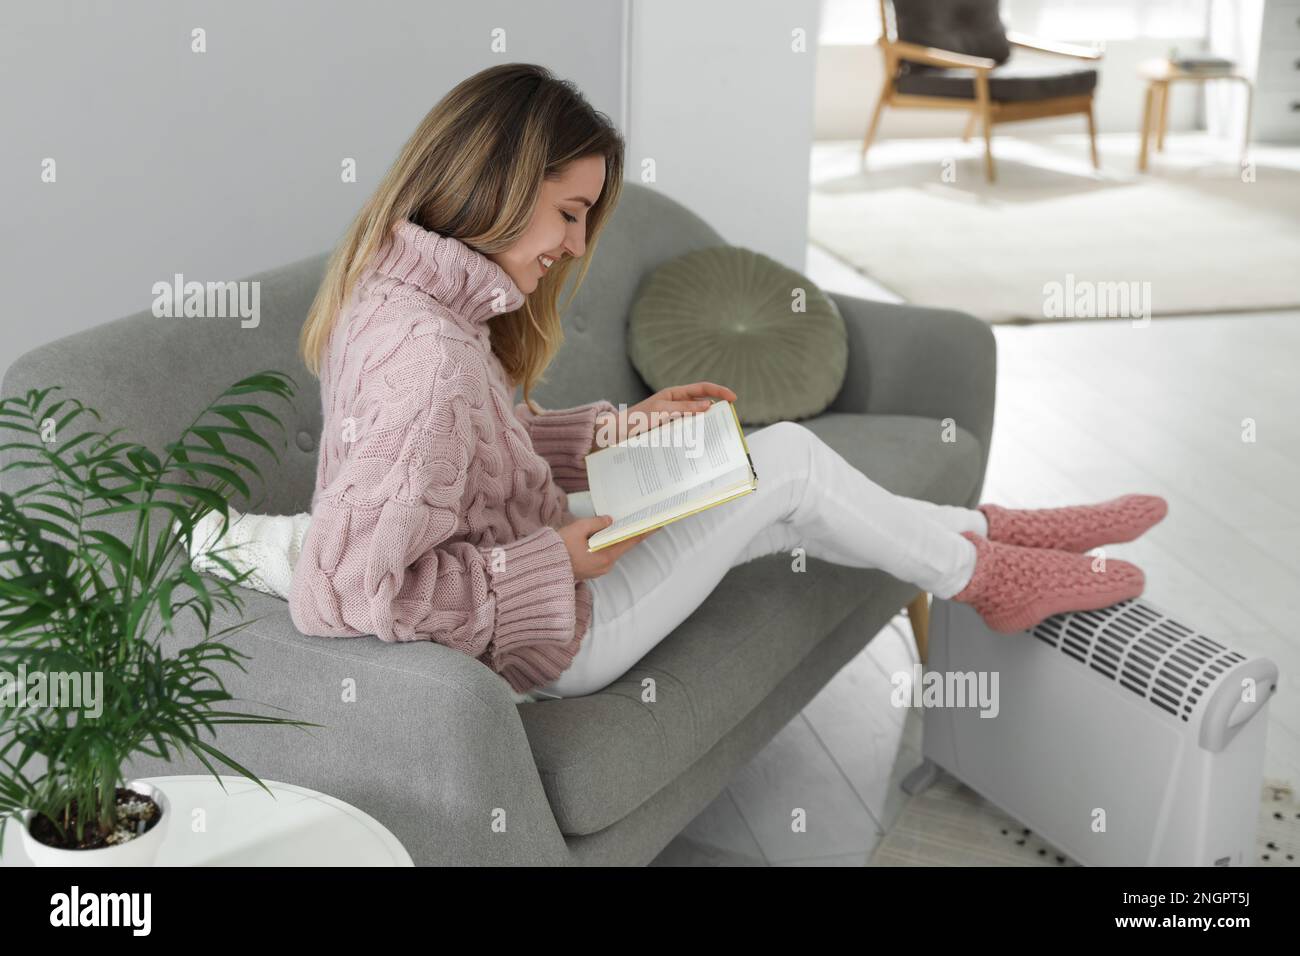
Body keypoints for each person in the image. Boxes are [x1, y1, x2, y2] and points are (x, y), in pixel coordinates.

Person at [188, 63, 1167, 705]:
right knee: (781, 467)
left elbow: (468, 450)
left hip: (531, 563)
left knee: (779, 499)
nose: (574, 245)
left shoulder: (404, 293)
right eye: (568, 213)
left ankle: (984, 536)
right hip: (551, 638)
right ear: (494, 180)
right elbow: (352, 593)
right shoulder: (426, 355)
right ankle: (983, 571)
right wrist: (551, 564)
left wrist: (610, 437)